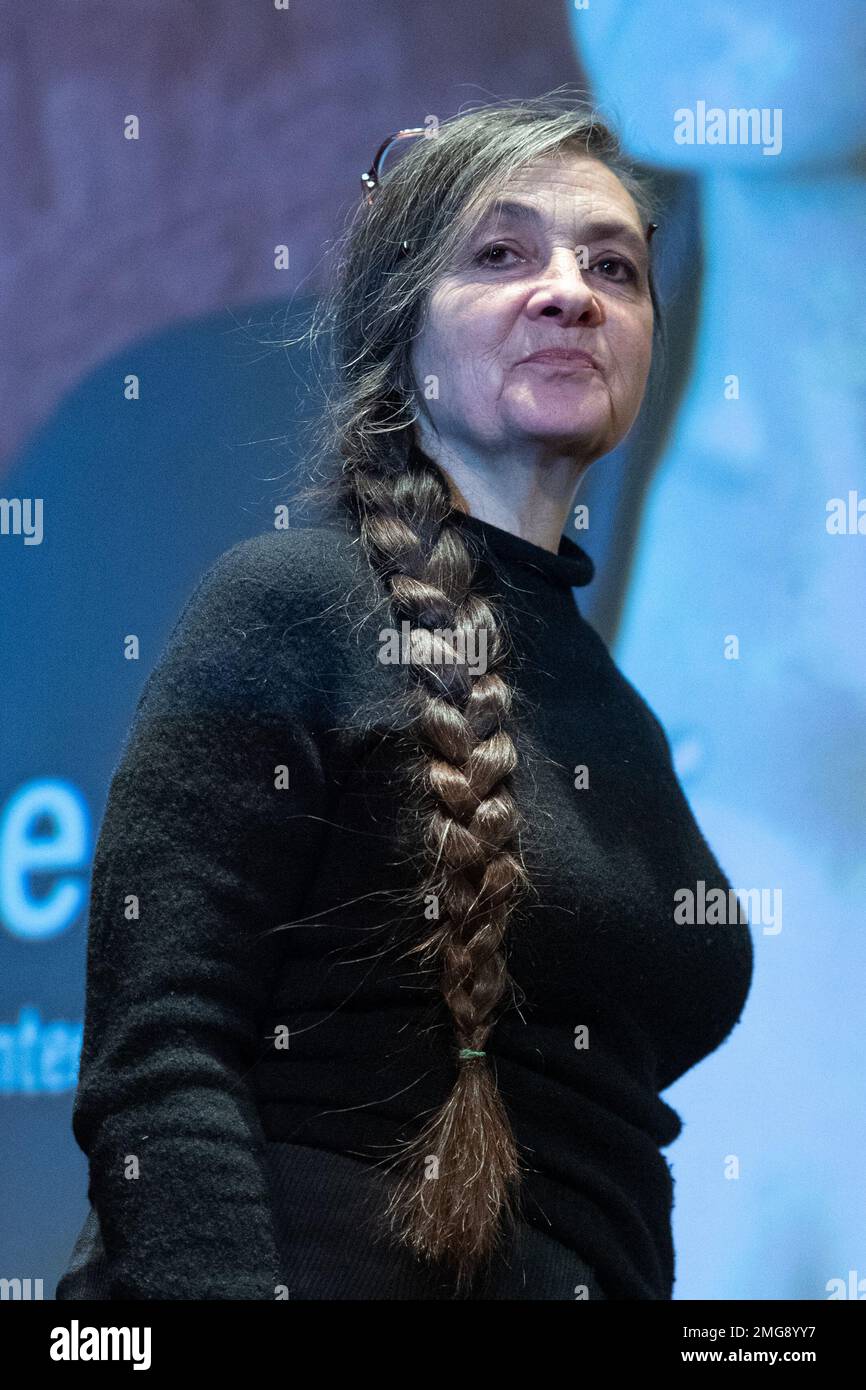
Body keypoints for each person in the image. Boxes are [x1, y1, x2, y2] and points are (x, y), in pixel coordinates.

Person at [56, 94, 753, 1301]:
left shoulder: (619, 718)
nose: (570, 292)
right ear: (401, 337)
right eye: (499, 254)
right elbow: (159, 1057)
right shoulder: (289, 601)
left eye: (613, 266)